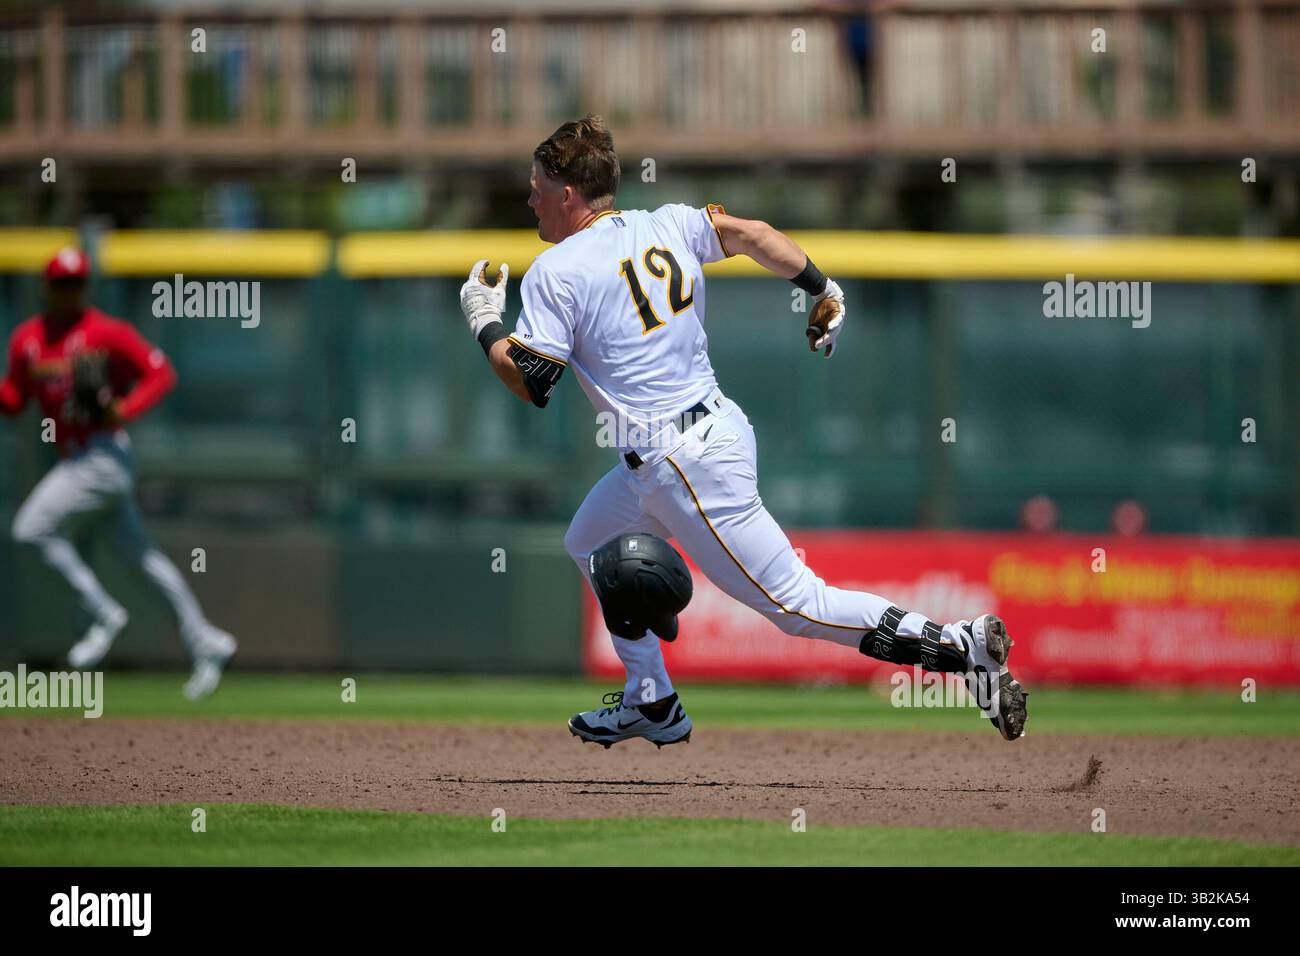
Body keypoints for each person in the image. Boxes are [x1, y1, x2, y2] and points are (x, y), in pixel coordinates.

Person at [457, 116, 1027, 745]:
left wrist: (485, 320)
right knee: (587, 540)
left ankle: (958, 645)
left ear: (569, 194)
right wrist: (821, 285)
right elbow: (753, 234)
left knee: (795, 604)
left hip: (679, 462)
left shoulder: (556, 269)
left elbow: (532, 382)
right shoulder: (664, 223)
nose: (530, 196)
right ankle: (652, 701)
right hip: (702, 435)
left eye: (538, 185)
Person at [1, 247, 236, 699]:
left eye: (77, 283)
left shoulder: (104, 333)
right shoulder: (28, 339)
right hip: (75, 458)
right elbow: (14, 402)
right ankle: (203, 638)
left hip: (102, 456)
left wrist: (124, 409)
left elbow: (161, 373)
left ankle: (103, 612)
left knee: (31, 529)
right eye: (61, 283)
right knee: (142, 558)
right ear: (46, 287)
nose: (70, 291)